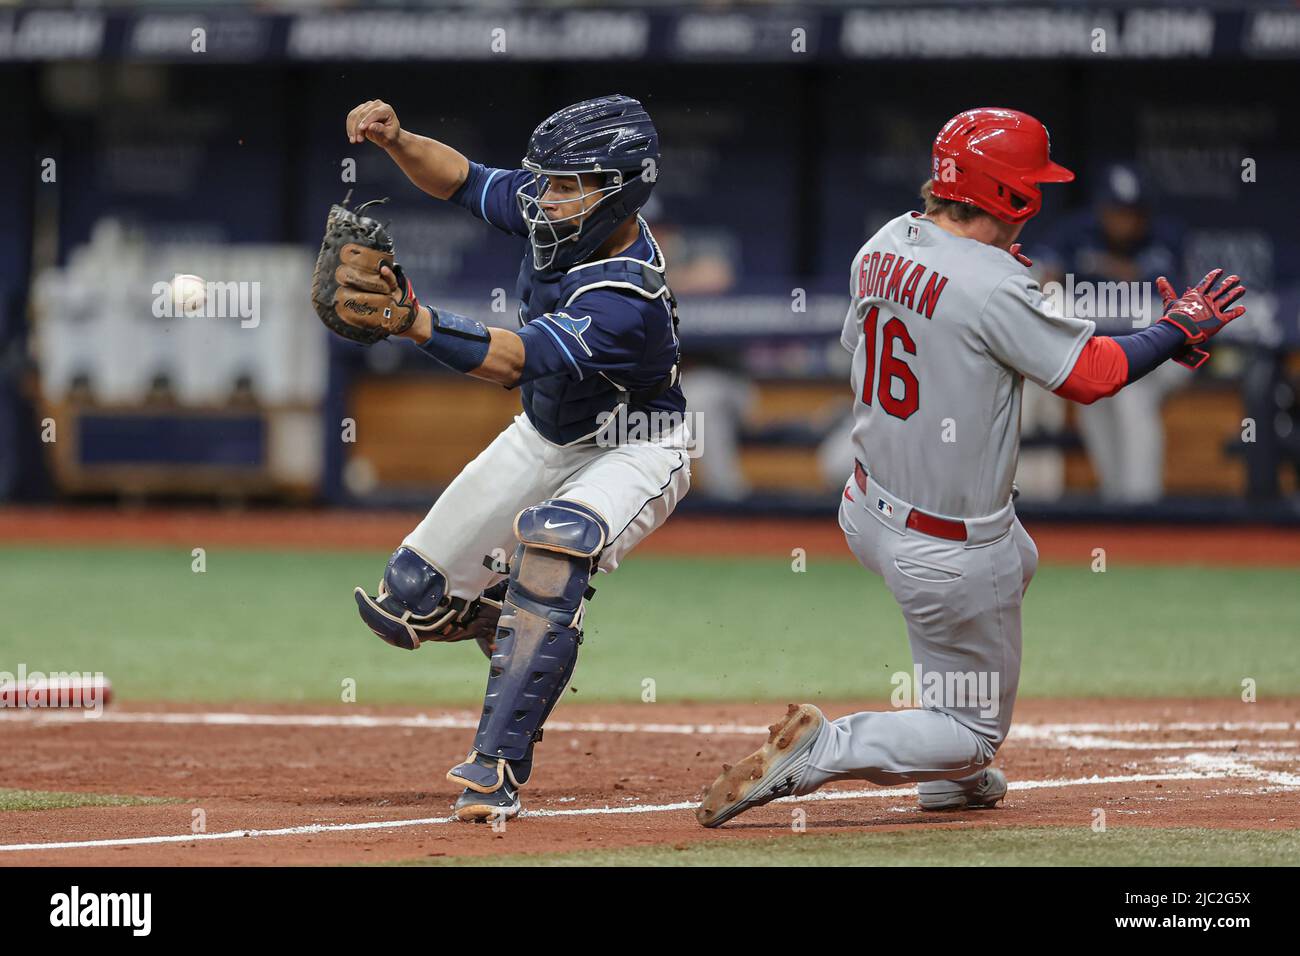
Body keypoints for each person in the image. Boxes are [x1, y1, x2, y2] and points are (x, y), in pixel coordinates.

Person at [695, 107, 1244, 828]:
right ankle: (830, 749)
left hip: (870, 506)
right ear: (1012, 197)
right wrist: (1178, 330)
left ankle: (948, 780)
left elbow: (918, 323)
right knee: (975, 732)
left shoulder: (883, 242)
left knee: (1015, 557)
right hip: (946, 545)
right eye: (1030, 187)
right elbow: (1092, 375)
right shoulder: (992, 284)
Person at [341, 94, 690, 822]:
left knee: (556, 548)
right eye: (550, 180)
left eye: (570, 185)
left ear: (620, 189)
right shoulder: (554, 214)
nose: (548, 197)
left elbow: (513, 360)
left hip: (636, 444)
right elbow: (463, 180)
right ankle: (501, 608)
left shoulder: (628, 295)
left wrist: (415, 322)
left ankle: (495, 767)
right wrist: (400, 138)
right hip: (547, 434)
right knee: (407, 603)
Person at [1039, 164, 1190, 502]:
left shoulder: (1165, 238)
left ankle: (1141, 503)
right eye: (1118, 211)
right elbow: (1042, 281)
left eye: (1133, 212)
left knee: (1130, 394)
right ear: (1102, 210)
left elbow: (1177, 310)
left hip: (1159, 358)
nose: (1126, 220)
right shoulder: (1074, 233)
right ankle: (1117, 502)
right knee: (1096, 397)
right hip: (1100, 349)